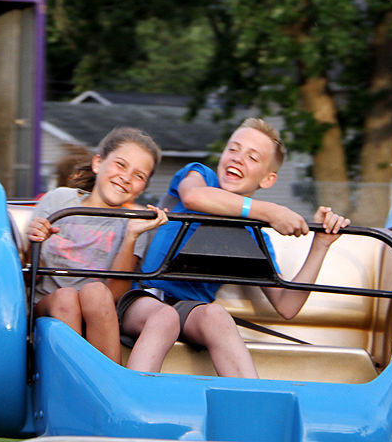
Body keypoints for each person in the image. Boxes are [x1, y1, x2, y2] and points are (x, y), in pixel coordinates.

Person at [117, 118, 350, 377]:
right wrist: (270, 211)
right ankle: (133, 395)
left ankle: (251, 398)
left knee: (217, 316)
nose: (238, 158)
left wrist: (320, 245)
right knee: (164, 318)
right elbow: (194, 197)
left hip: (189, 312)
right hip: (145, 299)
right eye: (233, 149)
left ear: (268, 179)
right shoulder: (201, 176)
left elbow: (287, 305)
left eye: (252, 157)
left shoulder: (254, 234)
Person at [25, 127, 169, 364]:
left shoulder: (134, 224)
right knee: (66, 298)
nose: (126, 177)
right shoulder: (59, 200)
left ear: (143, 188)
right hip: (48, 305)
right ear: (98, 163)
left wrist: (131, 236)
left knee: (96, 292)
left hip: (96, 311)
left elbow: (115, 295)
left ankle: (108, 377)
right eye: (120, 165)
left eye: (138, 176)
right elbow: (31, 274)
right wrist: (36, 240)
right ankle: (74, 376)